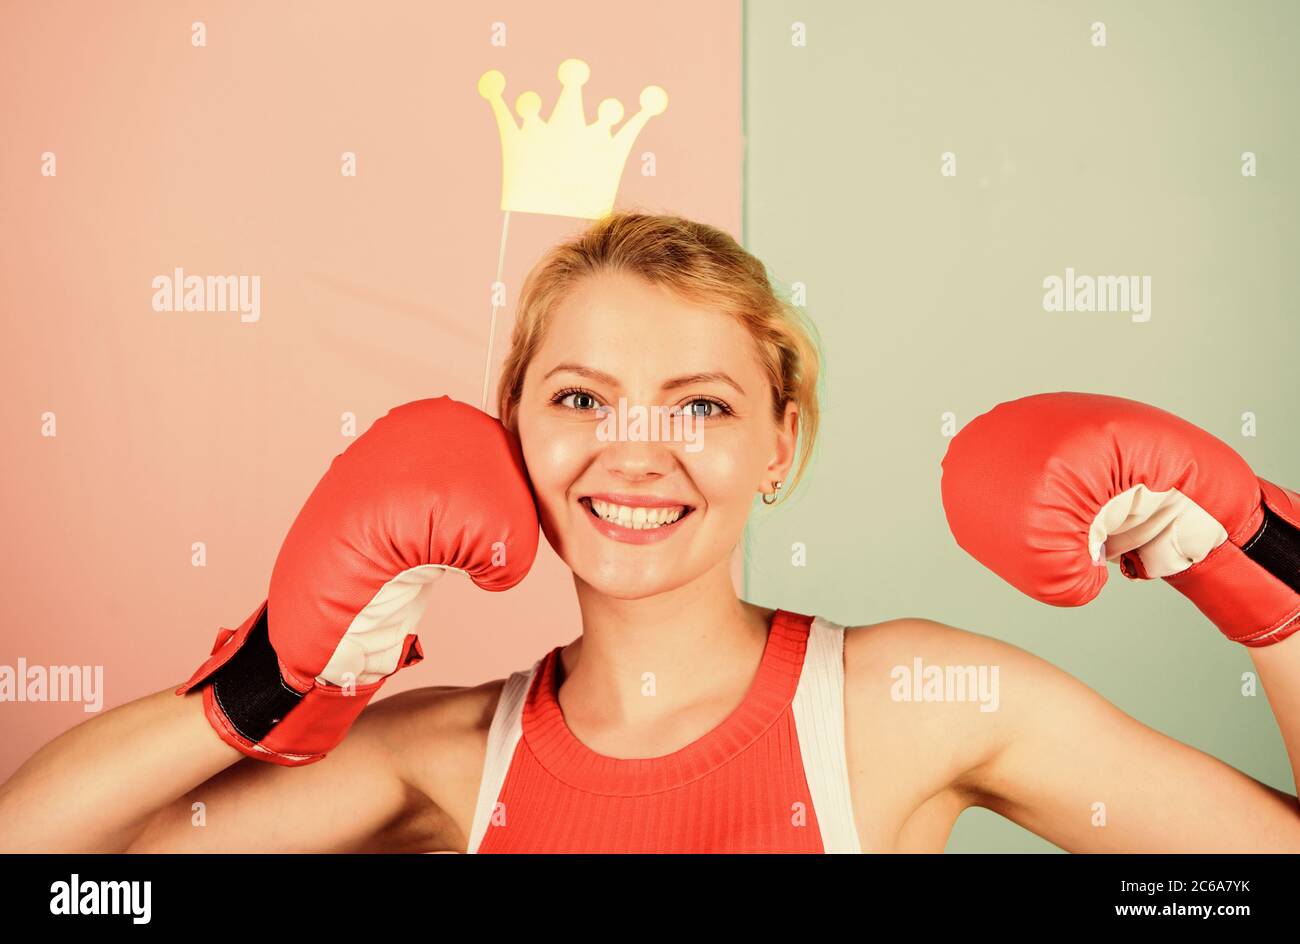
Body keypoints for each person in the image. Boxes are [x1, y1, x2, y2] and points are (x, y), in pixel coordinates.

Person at [2, 212, 1298, 853]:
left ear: (779, 442)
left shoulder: (910, 702)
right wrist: (262, 682)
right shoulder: (449, 755)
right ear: (512, 425)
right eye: (579, 398)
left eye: (701, 404)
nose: (635, 450)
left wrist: (1261, 569)